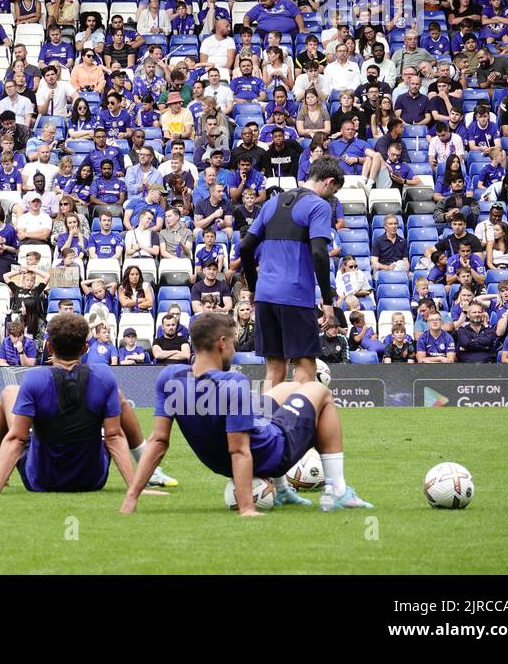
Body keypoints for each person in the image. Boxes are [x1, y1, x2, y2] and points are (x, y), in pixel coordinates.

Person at [119, 311, 374, 516]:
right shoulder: (233, 382)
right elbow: (239, 451)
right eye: (233, 342)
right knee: (320, 392)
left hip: (227, 458)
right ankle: (336, 490)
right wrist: (247, 508)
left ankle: (283, 491)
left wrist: (132, 495)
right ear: (221, 343)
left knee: (292, 386)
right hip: (273, 453)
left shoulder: (169, 377)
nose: (234, 349)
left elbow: (158, 441)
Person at [0, 312, 177, 496]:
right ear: (86, 348)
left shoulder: (34, 378)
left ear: (49, 347)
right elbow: (113, 437)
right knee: (118, 397)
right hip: (92, 479)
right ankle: (148, 470)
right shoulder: (104, 376)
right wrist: (135, 488)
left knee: (9, 392)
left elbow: (16, 439)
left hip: (40, 480)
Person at [237, 156, 343, 390]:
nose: (331, 198)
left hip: (265, 296)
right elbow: (319, 253)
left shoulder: (271, 203)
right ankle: (298, 423)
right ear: (329, 182)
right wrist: (327, 301)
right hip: (295, 295)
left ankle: (268, 425)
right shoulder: (319, 206)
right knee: (305, 365)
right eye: (333, 191)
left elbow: (244, 247)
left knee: (274, 369)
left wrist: (253, 288)